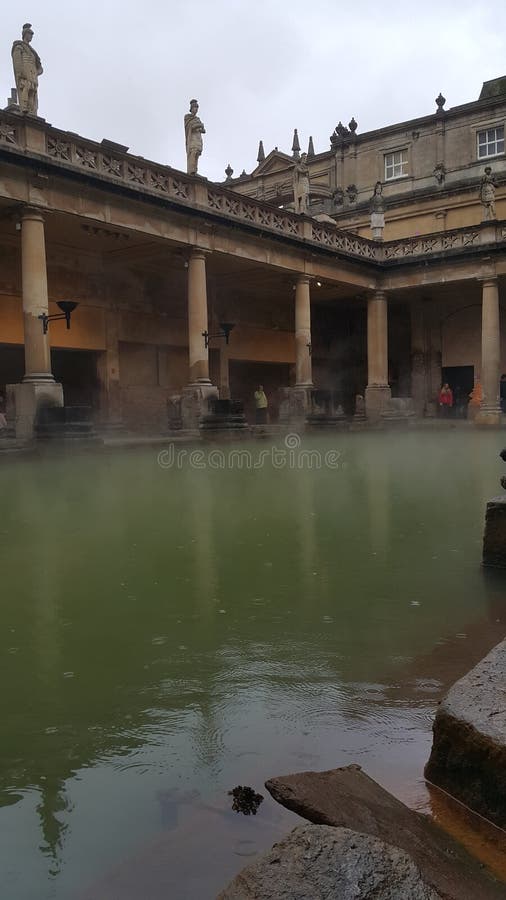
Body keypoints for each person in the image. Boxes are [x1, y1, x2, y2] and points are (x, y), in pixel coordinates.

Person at [12, 23, 43, 116]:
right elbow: (17, 61)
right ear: (25, 34)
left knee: (33, 90)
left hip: (33, 72)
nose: (31, 37)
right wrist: (21, 73)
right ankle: (24, 106)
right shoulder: (19, 46)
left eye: (32, 35)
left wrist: (37, 72)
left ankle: (32, 111)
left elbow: (38, 65)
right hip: (25, 71)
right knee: (26, 87)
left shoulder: (33, 51)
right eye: (30, 34)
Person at [184, 99, 205, 176]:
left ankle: (195, 170)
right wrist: (200, 125)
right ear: (191, 108)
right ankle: (191, 170)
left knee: (197, 153)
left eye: (197, 108)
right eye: (195, 107)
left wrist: (201, 128)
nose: (196, 109)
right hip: (192, 138)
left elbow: (203, 130)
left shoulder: (197, 119)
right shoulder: (187, 117)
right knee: (193, 152)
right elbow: (190, 127)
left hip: (198, 138)